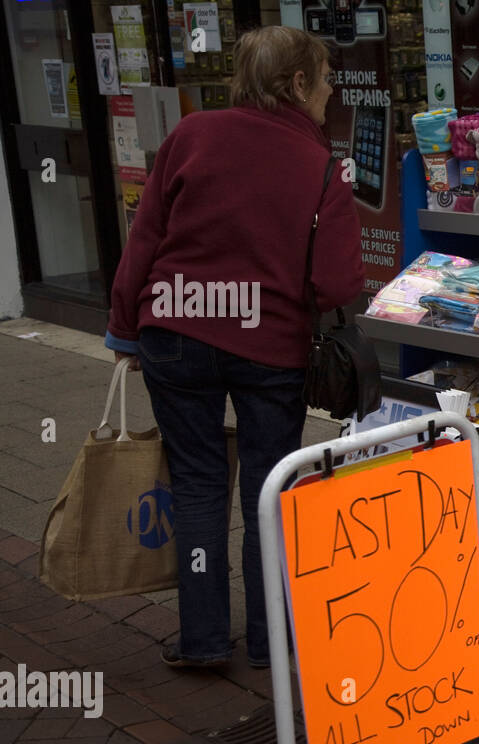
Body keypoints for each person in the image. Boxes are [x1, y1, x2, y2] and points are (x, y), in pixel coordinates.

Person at [105, 26, 364, 668]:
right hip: (268, 346)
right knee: (267, 491)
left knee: (195, 483)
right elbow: (335, 283)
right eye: (326, 78)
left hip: (175, 327)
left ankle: (203, 641)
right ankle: (268, 642)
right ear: (296, 83)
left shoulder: (190, 136)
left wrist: (123, 329)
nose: (332, 93)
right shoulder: (320, 165)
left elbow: (145, 238)